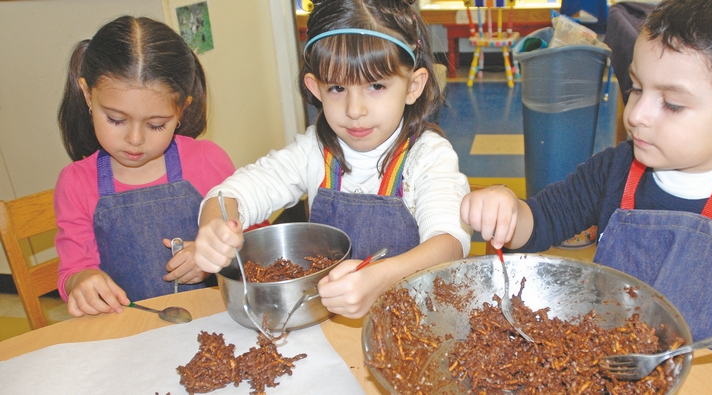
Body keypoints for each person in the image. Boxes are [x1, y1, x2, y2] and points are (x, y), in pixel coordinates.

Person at [461, 0, 712, 370]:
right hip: (605, 368)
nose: (636, 115)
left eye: (671, 104)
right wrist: (508, 209)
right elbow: (540, 222)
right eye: (637, 88)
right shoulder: (615, 169)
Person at [193, 0, 471, 319]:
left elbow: (449, 243)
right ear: (315, 88)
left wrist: (381, 278)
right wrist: (215, 225)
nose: (355, 110)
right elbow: (235, 193)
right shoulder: (313, 152)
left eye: (376, 86)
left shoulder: (427, 156)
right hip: (331, 325)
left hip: (415, 321)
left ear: (413, 86)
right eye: (337, 87)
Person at [55, 16, 235, 317]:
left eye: (156, 125)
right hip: (128, 333)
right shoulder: (75, 183)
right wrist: (82, 281)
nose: (134, 139)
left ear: (181, 110)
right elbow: (72, 272)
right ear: (88, 95)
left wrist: (215, 255)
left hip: (213, 326)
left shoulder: (207, 161)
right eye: (115, 119)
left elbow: (254, 245)